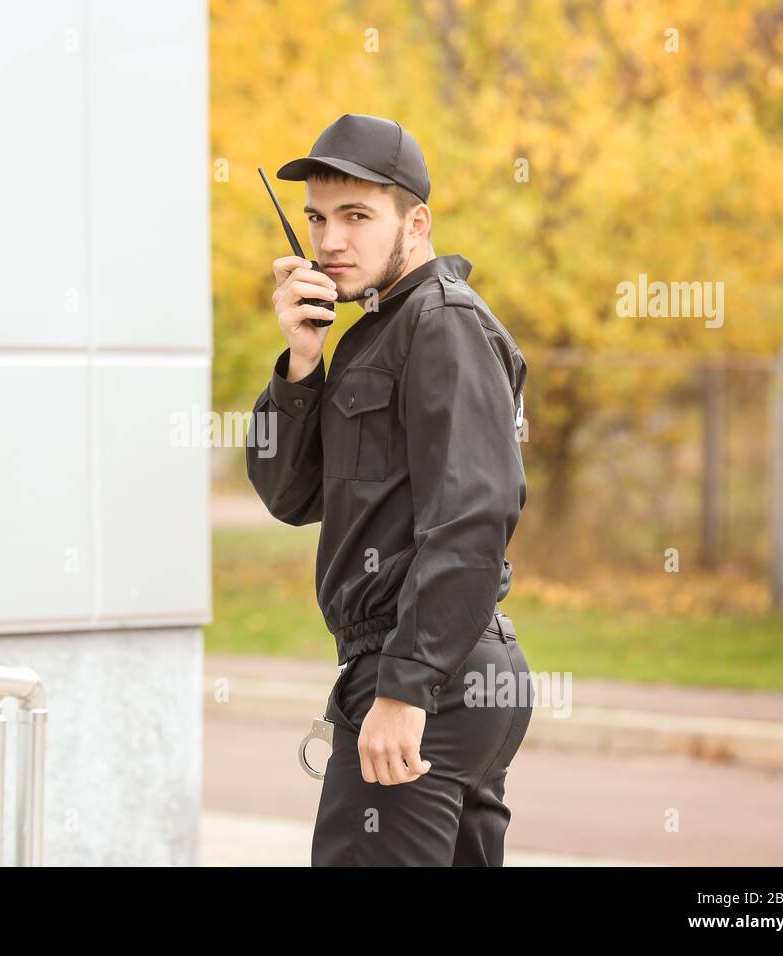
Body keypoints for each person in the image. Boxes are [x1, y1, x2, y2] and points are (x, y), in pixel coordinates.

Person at [245, 114, 535, 866]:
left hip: (431, 674)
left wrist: (404, 692)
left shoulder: (441, 326)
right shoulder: (373, 332)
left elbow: (472, 520)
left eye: (357, 216)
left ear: (417, 221)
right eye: (316, 218)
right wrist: (302, 362)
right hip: (443, 673)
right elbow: (289, 495)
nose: (330, 240)